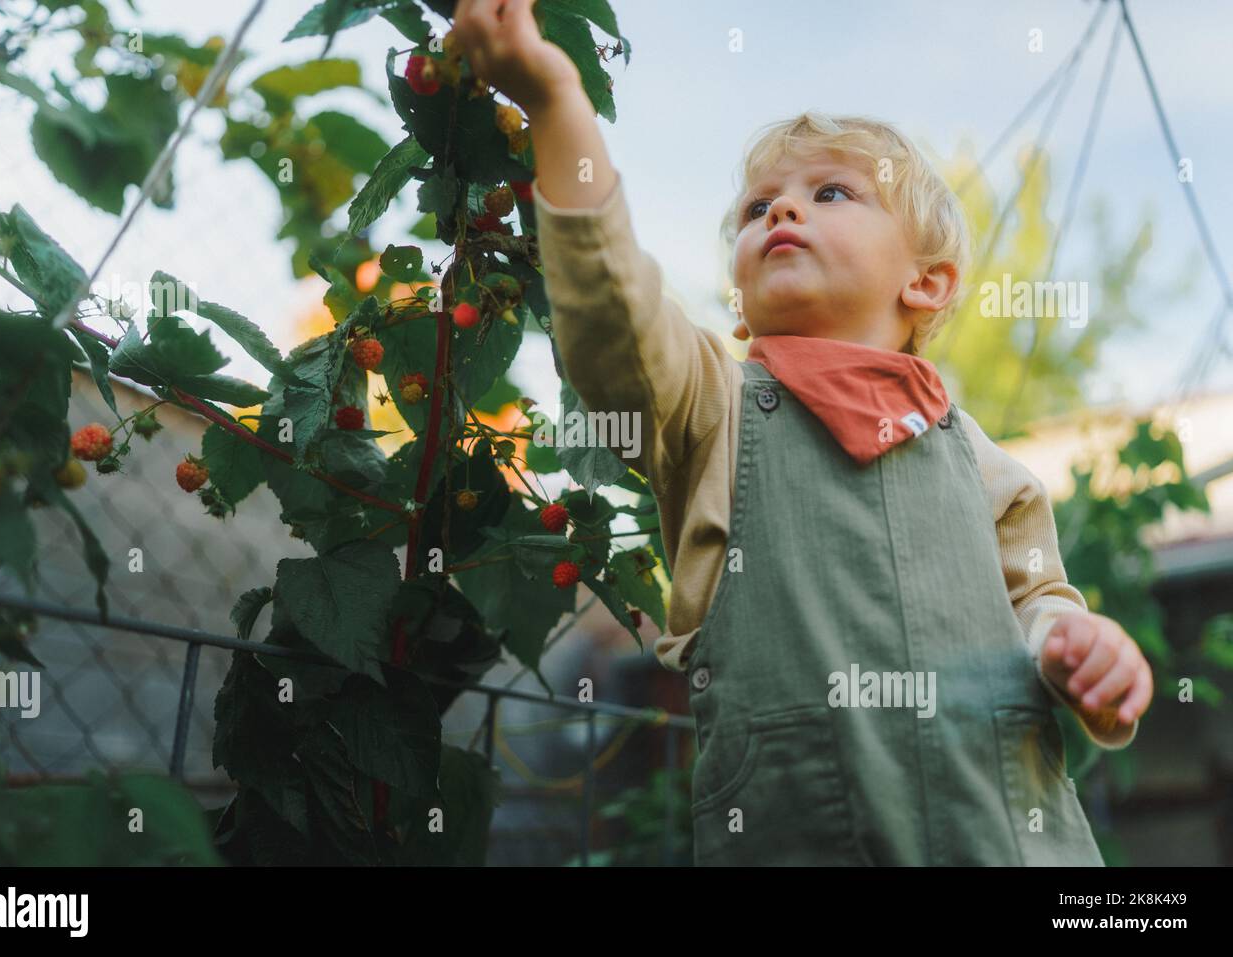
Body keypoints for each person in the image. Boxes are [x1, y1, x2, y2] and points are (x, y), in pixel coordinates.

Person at [450, 0, 1154, 865]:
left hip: (1005, 837)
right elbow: (611, 313)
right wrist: (558, 99)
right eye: (756, 210)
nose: (780, 214)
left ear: (927, 285)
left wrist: (1077, 648)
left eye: (829, 194)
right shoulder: (710, 405)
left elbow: (1038, 601)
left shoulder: (989, 469)